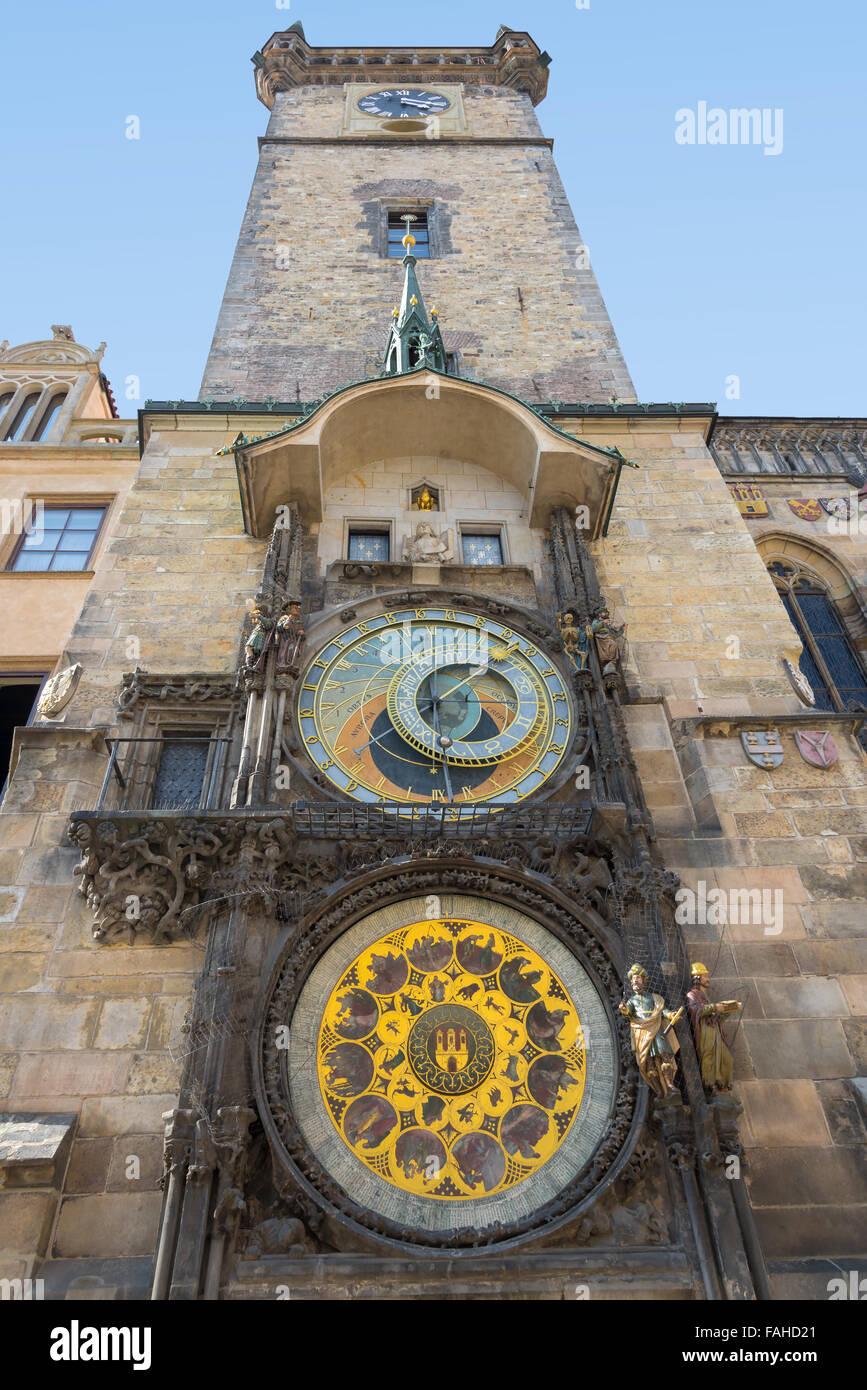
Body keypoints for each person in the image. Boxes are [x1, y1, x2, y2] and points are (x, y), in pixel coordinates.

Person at [619, 963, 680, 1099]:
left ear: (644, 980)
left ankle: (670, 1084)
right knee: (649, 1063)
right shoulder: (632, 1000)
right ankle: (658, 1090)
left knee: (665, 1056)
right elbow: (628, 1013)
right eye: (633, 980)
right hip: (642, 1031)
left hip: (656, 1028)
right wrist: (624, 1009)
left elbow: (661, 1010)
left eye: (637, 979)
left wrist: (670, 1015)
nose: (635, 982)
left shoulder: (653, 997)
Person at [685, 962, 741, 1094]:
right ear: (697, 978)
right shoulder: (691, 994)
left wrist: (726, 1011)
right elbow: (695, 1010)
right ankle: (711, 1086)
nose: (707, 979)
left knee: (727, 1058)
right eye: (704, 976)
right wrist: (715, 1007)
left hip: (715, 1030)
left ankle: (723, 1086)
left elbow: (715, 1018)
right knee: (708, 1056)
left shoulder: (705, 997)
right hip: (705, 1030)